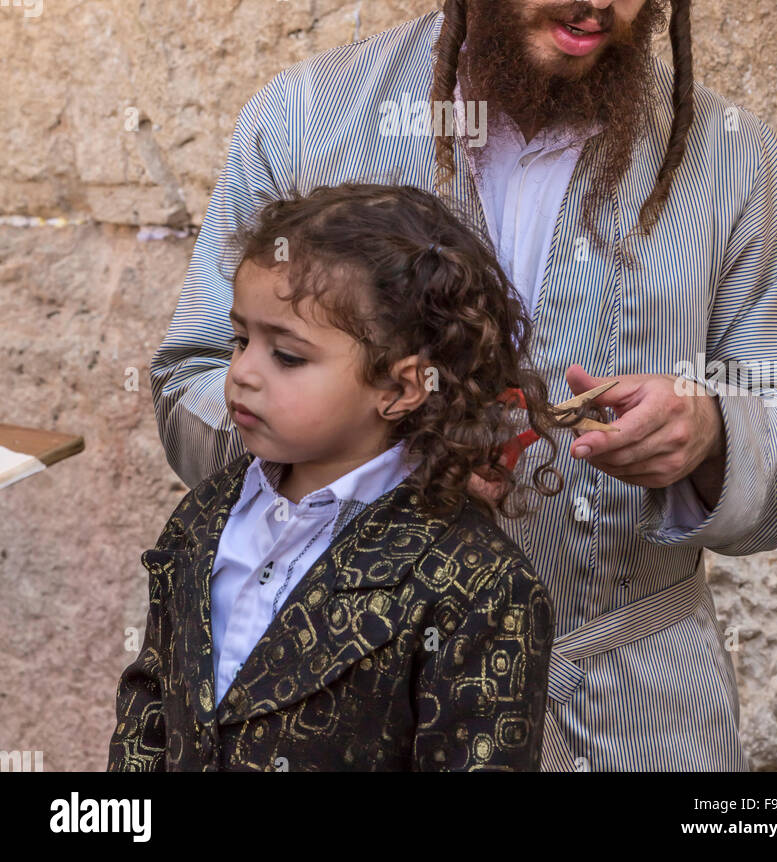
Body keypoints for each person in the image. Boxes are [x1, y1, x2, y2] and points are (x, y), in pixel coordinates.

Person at [145, 0, 777, 771]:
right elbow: (187, 383)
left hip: (637, 717)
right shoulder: (304, 121)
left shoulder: (736, 166)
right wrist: (363, 451)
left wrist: (712, 433)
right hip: (361, 695)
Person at [107, 183, 566, 772]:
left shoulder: (476, 583)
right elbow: (149, 703)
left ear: (400, 388)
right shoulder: (206, 514)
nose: (242, 373)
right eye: (241, 339)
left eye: (288, 356)